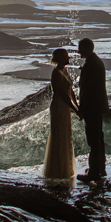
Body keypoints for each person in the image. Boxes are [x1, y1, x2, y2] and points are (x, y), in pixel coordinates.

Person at [43, 48, 79, 180]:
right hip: (59, 106)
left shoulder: (64, 70)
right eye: (66, 56)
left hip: (64, 107)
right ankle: (58, 170)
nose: (68, 58)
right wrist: (74, 109)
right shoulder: (57, 73)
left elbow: (70, 90)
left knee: (65, 135)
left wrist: (77, 105)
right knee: (59, 135)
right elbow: (63, 94)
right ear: (60, 58)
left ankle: (65, 168)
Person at [75, 37, 108, 181]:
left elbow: (87, 90)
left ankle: (94, 173)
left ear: (86, 48)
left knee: (93, 139)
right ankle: (100, 168)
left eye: (80, 49)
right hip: (97, 106)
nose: (78, 52)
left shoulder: (91, 64)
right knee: (98, 137)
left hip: (92, 107)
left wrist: (82, 109)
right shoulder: (96, 61)